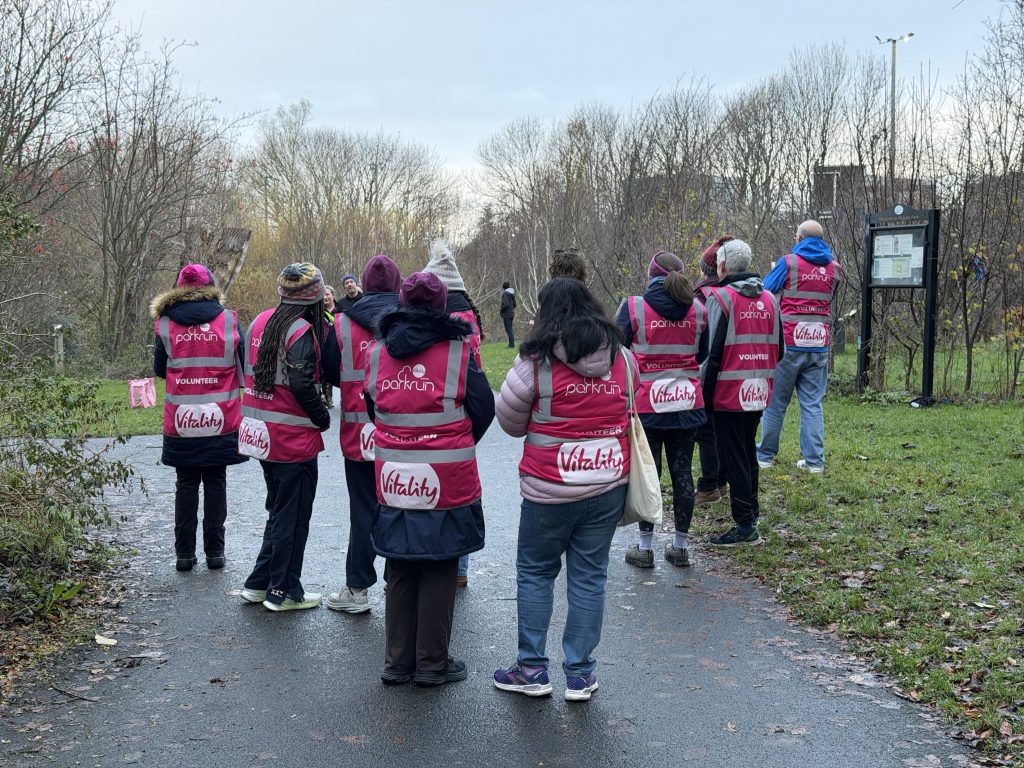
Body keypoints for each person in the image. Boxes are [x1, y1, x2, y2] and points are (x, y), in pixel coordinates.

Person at [494, 277, 635, 702]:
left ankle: (532, 669)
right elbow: (631, 408)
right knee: (590, 578)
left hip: (548, 491)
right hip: (606, 486)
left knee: (536, 573)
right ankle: (580, 674)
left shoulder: (535, 362)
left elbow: (509, 421)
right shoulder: (624, 359)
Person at [365, 272, 495, 686]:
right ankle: (432, 663)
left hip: (394, 474)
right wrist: (453, 439)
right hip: (447, 474)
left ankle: (396, 662)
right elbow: (484, 407)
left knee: (399, 563)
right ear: (442, 307)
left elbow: (374, 409)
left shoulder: (378, 352)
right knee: (441, 562)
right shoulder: (458, 351)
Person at [238, 263, 331, 611]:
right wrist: (322, 418)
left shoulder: (260, 321)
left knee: (278, 510)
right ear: (315, 297)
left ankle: (259, 583)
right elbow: (303, 384)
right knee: (292, 516)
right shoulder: (300, 330)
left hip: (260, 433)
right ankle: (285, 591)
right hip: (292, 438)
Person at [151, 263, 247, 572]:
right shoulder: (230, 321)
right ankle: (215, 554)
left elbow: (158, 369)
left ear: (178, 290)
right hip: (221, 416)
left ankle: (184, 555)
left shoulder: (165, 324)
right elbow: (244, 364)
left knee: (186, 483)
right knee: (216, 481)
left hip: (182, 419)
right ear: (211, 287)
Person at [321, 254, 402, 613]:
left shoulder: (341, 324)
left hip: (359, 431)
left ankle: (357, 589)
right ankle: (399, 585)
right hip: (404, 435)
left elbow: (328, 369)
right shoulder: (409, 320)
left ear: (364, 286)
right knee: (403, 507)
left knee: (363, 509)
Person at [616, 250, 708, 569]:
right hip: (687, 403)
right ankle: (680, 547)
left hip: (647, 406)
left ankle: (644, 549)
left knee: (647, 475)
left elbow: (618, 350)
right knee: (683, 472)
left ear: (650, 275)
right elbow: (703, 352)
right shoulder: (698, 309)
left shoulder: (634, 308)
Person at [702, 240, 783, 547]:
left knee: (734, 455)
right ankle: (751, 512)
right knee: (748, 451)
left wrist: (704, 398)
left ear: (722, 266)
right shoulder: (770, 299)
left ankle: (745, 526)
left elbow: (711, 354)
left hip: (727, 391)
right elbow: (781, 349)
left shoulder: (721, 298)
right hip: (759, 388)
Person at [423, 237, 485, 588]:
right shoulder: (470, 315)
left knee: (426, 490)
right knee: (461, 492)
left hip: (431, 406)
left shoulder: (438, 316)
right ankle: (459, 569)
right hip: (462, 413)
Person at [756, 220, 838, 473]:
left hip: (789, 344)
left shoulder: (788, 262)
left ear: (800, 238)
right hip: (819, 346)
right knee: (812, 404)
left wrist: (777, 273)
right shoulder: (835, 268)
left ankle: (765, 456)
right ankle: (814, 462)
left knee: (776, 403)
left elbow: (764, 291)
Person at [693, 237, 734, 506]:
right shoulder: (736, 293)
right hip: (735, 372)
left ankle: (709, 485)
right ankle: (722, 481)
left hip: (710, 371)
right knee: (726, 430)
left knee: (705, 430)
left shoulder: (703, 296)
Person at [500, 281, 516, 348]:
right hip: (511, 314)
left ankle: (511, 345)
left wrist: (501, 310)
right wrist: (511, 309)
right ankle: (511, 344)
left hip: (506, 314)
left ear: (503, 287)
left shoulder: (505, 294)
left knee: (508, 330)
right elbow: (515, 304)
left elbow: (505, 304)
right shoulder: (512, 294)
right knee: (510, 329)